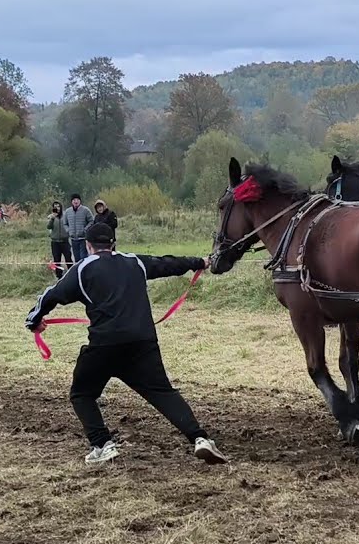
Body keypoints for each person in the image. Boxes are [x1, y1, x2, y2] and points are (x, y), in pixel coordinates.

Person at [24, 222, 228, 465]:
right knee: (163, 393)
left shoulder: (81, 269)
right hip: (142, 343)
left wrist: (33, 321)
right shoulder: (135, 262)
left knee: (82, 393)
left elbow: (51, 295)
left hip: (104, 345)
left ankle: (102, 444)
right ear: (113, 243)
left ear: (88, 246)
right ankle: (200, 439)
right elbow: (168, 263)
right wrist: (200, 262)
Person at [62, 193, 94, 264]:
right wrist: (68, 230)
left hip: (83, 238)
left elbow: (91, 221)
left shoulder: (86, 210)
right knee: (76, 258)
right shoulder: (67, 212)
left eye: (77, 200)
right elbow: (65, 223)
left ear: (80, 201)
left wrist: (85, 230)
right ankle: (78, 273)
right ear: (71, 201)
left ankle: (85, 272)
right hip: (73, 239)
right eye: (74, 200)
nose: (75, 201)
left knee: (83, 257)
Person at [47, 201, 73, 280]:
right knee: (56, 260)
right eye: (55, 206)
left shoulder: (65, 215)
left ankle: (71, 274)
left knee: (68, 258)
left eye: (58, 206)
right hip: (55, 242)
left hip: (64, 241)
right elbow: (48, 227)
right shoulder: (51, 216)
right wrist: (52, 218)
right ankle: (59, 276)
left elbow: (70, 224)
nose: (57, 208)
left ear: (61, 207)